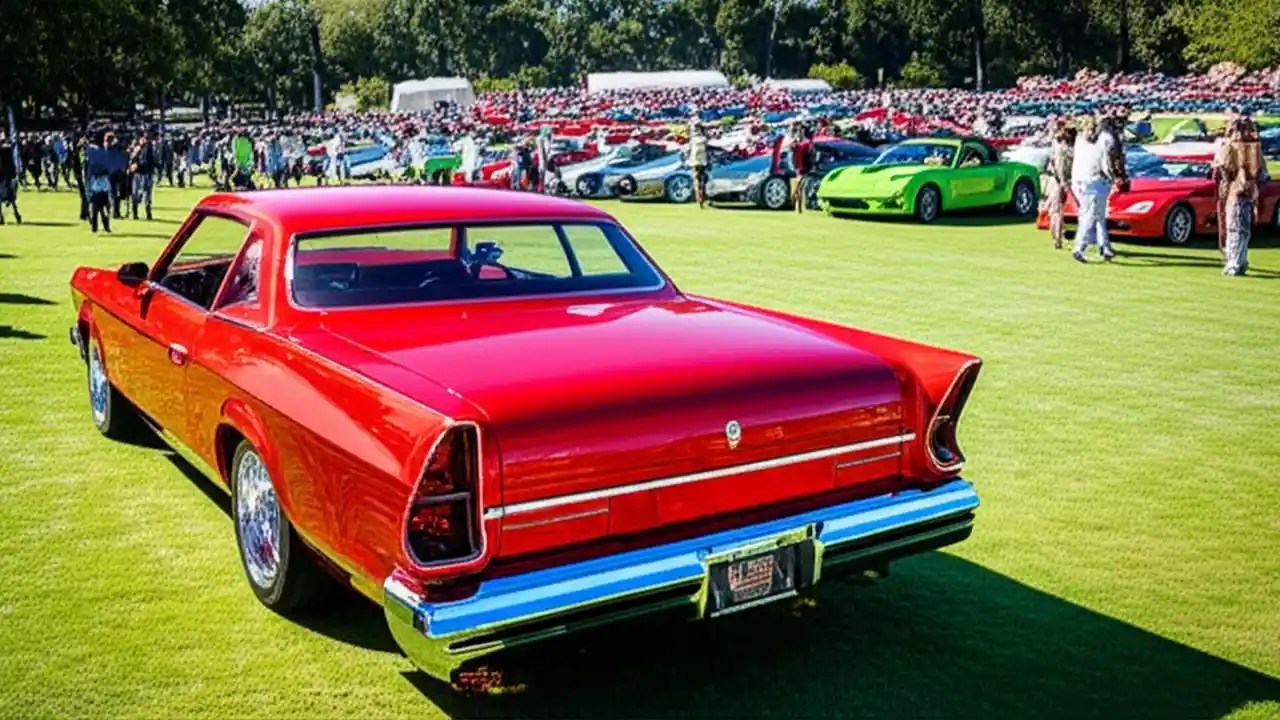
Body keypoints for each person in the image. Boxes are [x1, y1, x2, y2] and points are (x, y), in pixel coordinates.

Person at [1219, 116, 1265, 276]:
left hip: (1236, 191)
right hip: (1250, 192)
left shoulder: (1231, 146)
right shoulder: (1256, 146)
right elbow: (1262, 173)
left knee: (1234, 228)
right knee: (1244, 230)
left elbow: (1224, 169)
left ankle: (1234, 263)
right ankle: (1241, 260)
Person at [1069, 115, 1116, 263]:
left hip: (1079, 180)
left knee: (1095, 215)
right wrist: (1111, 177)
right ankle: (1079, 247)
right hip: (1096, 180)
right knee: (1091, 216)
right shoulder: (1104, 139)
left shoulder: (1079, 139)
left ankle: (1105, 247)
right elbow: (1106, 163)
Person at [1044, 119, 1075, 249]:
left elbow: (1058, 166)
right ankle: (1058, 236)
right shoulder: (1069, 147)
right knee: (1057, 210)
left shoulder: (1059, 147)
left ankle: (1057, 239)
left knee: (1056, 211)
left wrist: (1062, 181)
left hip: (1058, 180)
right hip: (1063, 179)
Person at [85, 133, 114, 233]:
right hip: (100, 179)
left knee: (97, 203)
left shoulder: (95, 151)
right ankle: (102, 225)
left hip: (98, 179)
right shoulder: (101, 151)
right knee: (100, 204)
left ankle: (96, 225)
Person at [129, 134, 157, 219]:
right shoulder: (138, 150)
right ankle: (136, 212)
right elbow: (132, 162)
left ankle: (147, 212)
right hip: (139, 174)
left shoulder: (151, 149)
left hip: (146, 173)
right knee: (137, 194)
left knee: (146, 195)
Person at [791, 126, 814, 214]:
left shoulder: (806, 143)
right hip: (800, 166)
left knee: (800, 186)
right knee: (800, 187)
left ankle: (796, 200)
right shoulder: (802, 143)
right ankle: (798, 206)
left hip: (802, 165)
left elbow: (808, 151)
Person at [0, 133, 22, 224]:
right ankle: (1, 217)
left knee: (10, 197)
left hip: (6, 175)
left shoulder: (7, 149)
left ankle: (16, 214)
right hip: (3, 175)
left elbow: (12, 145)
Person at [687, 123, 709, 208]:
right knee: (700, 180)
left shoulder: (693, 139)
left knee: (698, 180)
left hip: (696, 162)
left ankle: (699, 198)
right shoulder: (703, 139)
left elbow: (689, 149)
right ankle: (701, 197)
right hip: (701, 162)